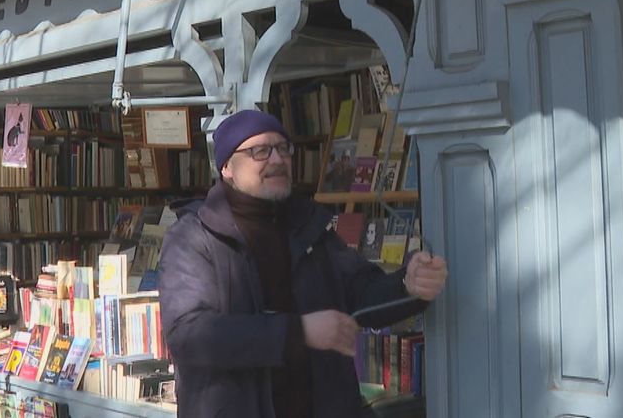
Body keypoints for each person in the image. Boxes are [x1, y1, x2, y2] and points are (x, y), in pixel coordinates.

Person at [160, 110, 448, 418]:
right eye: (260, 151)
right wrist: (298, 332)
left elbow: (363, 291)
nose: (277, 160)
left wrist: (409, 285)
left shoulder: (308, 225)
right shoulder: (193, 237)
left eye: (284, 148)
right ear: (227, 167)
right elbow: (188, 334)